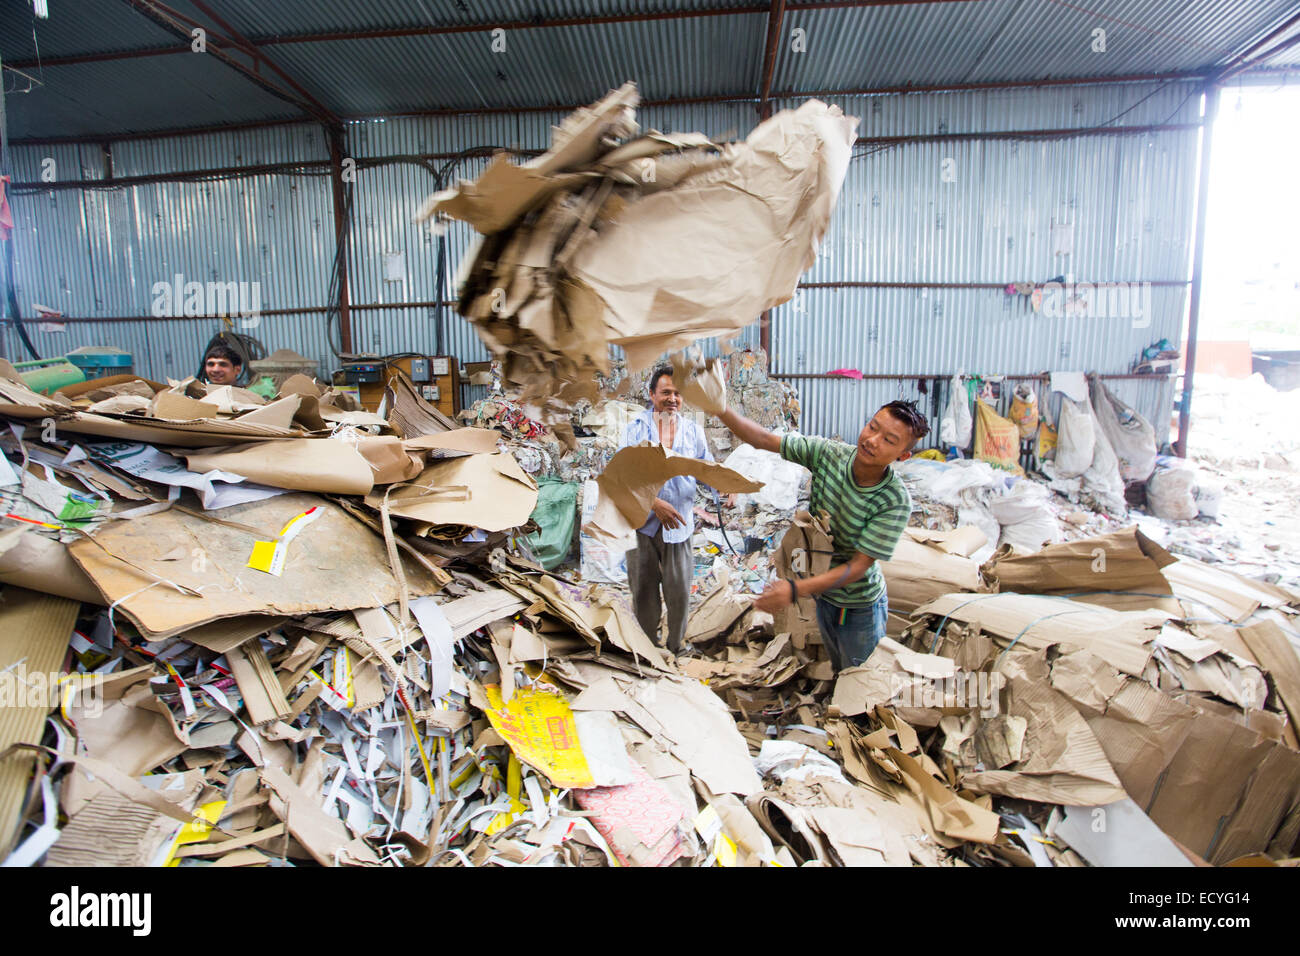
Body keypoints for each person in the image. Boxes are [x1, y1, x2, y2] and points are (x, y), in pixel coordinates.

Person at [716, 399, 929, 672]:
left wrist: (793, 590)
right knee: (839, 664)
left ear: (903, 455)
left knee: (862, 681)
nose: (872, 440)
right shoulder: (830, 455)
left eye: (888, 440)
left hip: (859, 605)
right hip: (824, 596)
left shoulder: (893, 500)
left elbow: (858, 567)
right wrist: (719, 407)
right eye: (872, 427)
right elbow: (761, 438)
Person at [620, 365, 714, 655]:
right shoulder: (635, 429)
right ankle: (649, 648)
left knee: (679, 592)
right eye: (665, 393)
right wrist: (654, 503)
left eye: (677, 393)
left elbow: (706, 468)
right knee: (644, 591)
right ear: (651, 395)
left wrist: (723, 488)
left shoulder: (693, 431)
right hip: (641, 525)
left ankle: (677, 646)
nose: (672, 398)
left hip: (679, 525)